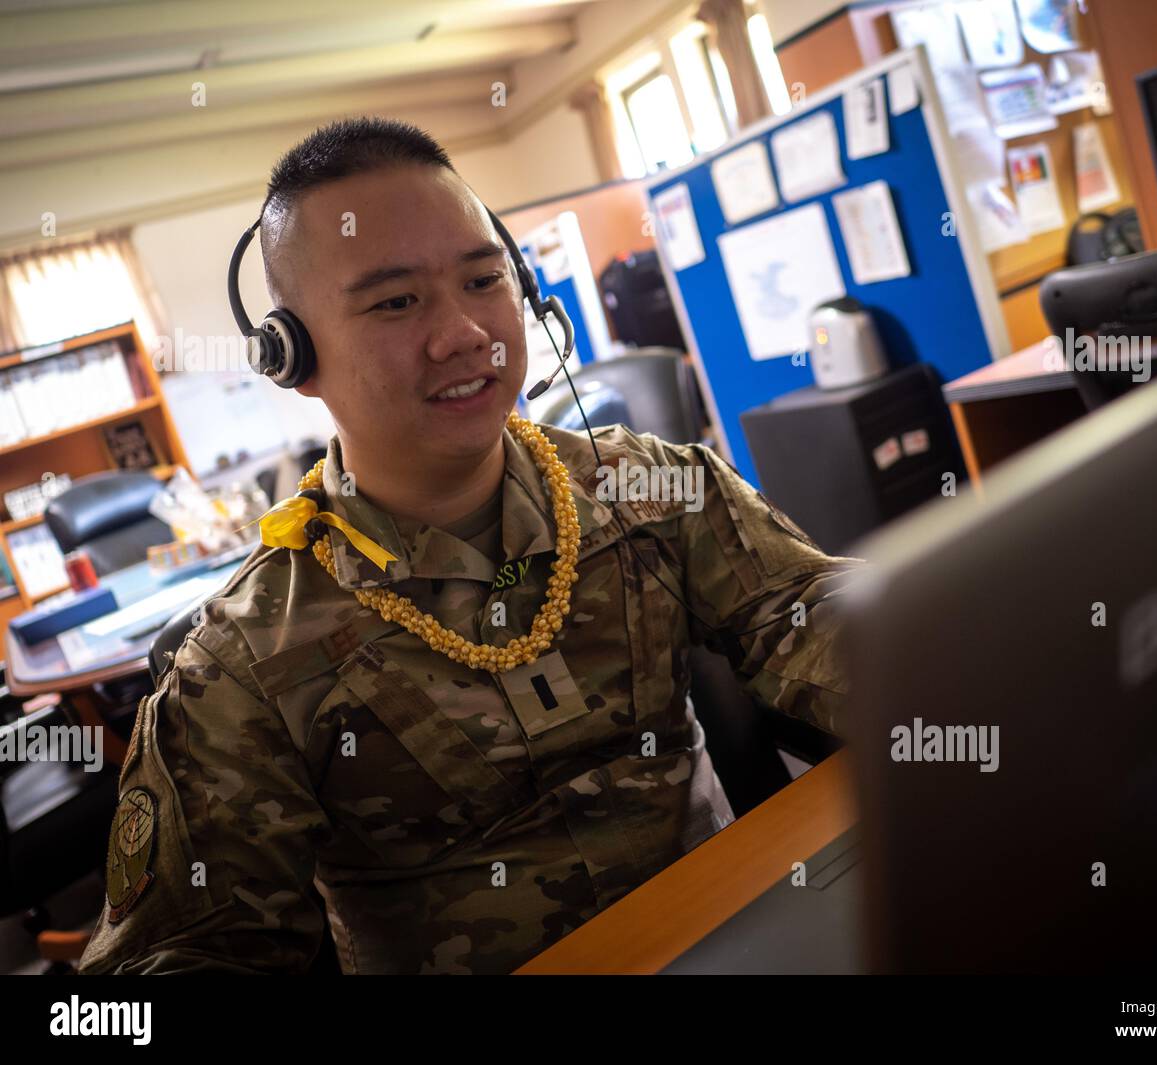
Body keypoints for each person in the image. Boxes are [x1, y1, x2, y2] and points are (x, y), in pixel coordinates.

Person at [79, 118, 861, 975]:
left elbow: (811, 618)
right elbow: (183, 955)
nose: (463, 332)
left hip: (742, 935)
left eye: (485, 279)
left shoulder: (650, 489)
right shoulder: (242, 663)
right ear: (291, 357)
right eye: (395, 302)